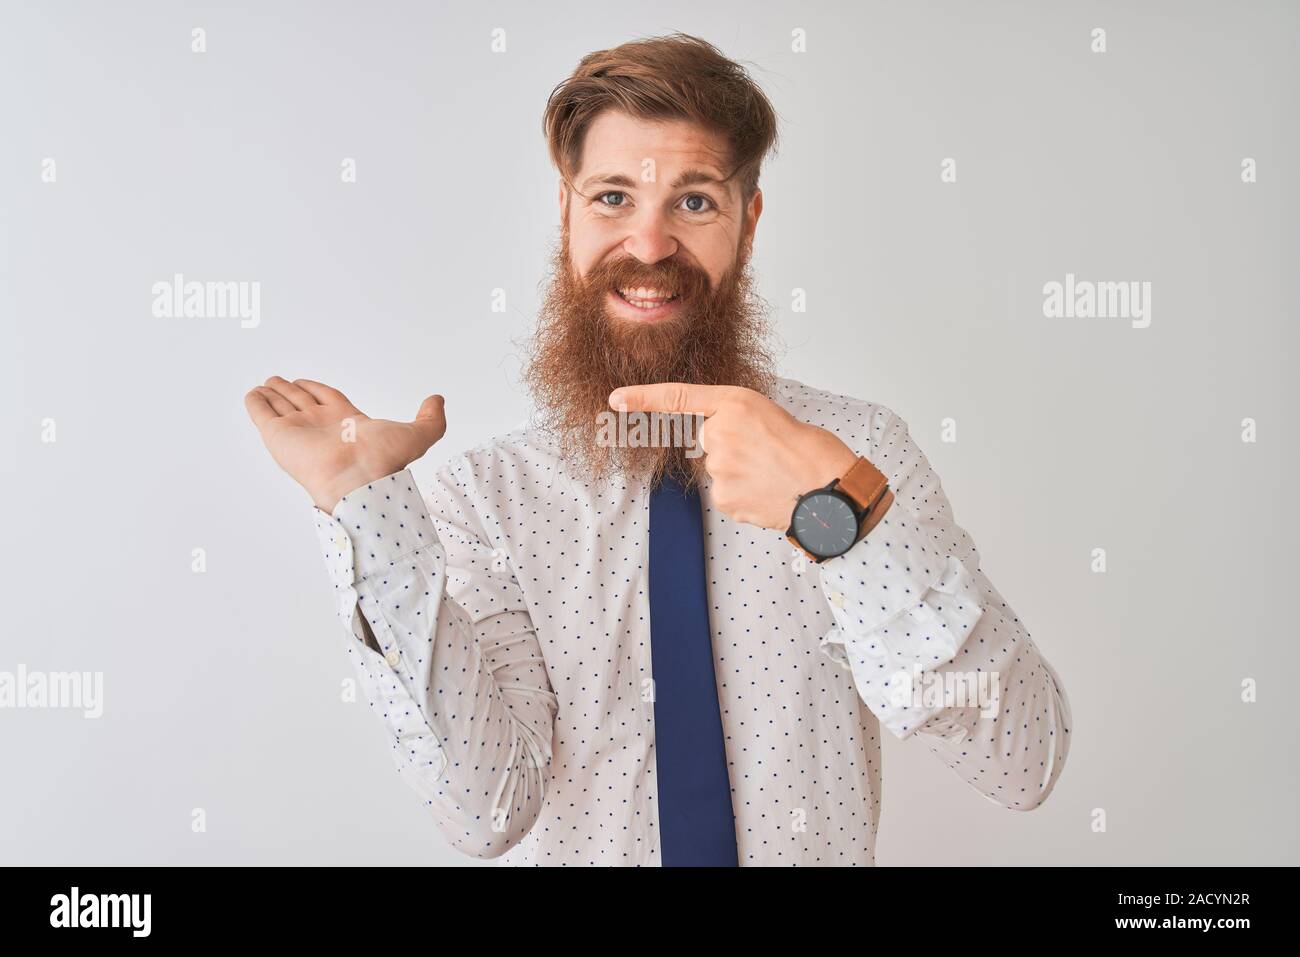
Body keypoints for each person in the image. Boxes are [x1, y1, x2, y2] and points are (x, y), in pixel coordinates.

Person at [243, 32, 1070, 867]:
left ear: (748, 222)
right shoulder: (489, 497)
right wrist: (367, 511)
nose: (647, 245)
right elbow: (485, 809)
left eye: (695, 201)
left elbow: (1023, 758)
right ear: (563, 213)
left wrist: (844, 521)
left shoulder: (853, 453)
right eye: (611, 198)